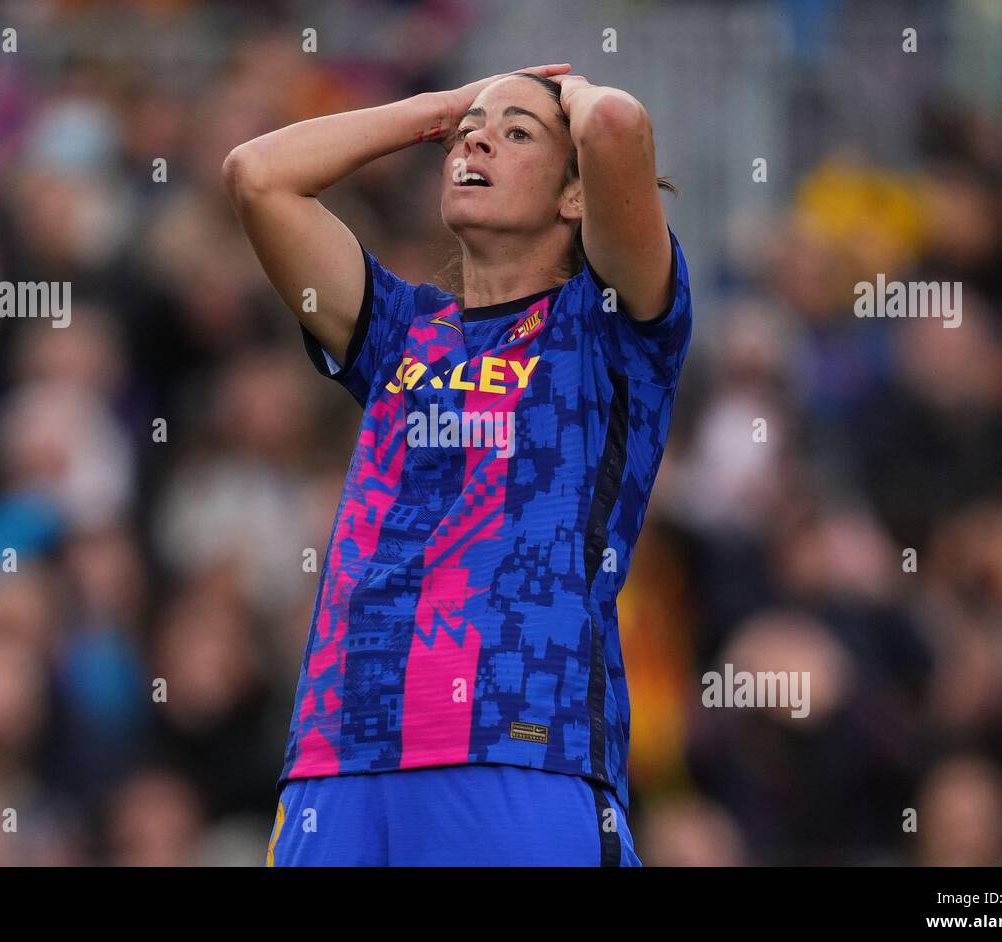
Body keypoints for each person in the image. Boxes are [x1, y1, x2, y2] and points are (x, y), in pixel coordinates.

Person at [223, 62, 694, 865]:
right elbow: (259, 176)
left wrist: (569, 94)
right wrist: (438, 110)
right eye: (472, 131)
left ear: (574, 194)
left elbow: (615, 123)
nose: (478, 139)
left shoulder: (606, 330)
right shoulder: (399, 330)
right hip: (339, 753)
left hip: (520, 744)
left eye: (518, 135)